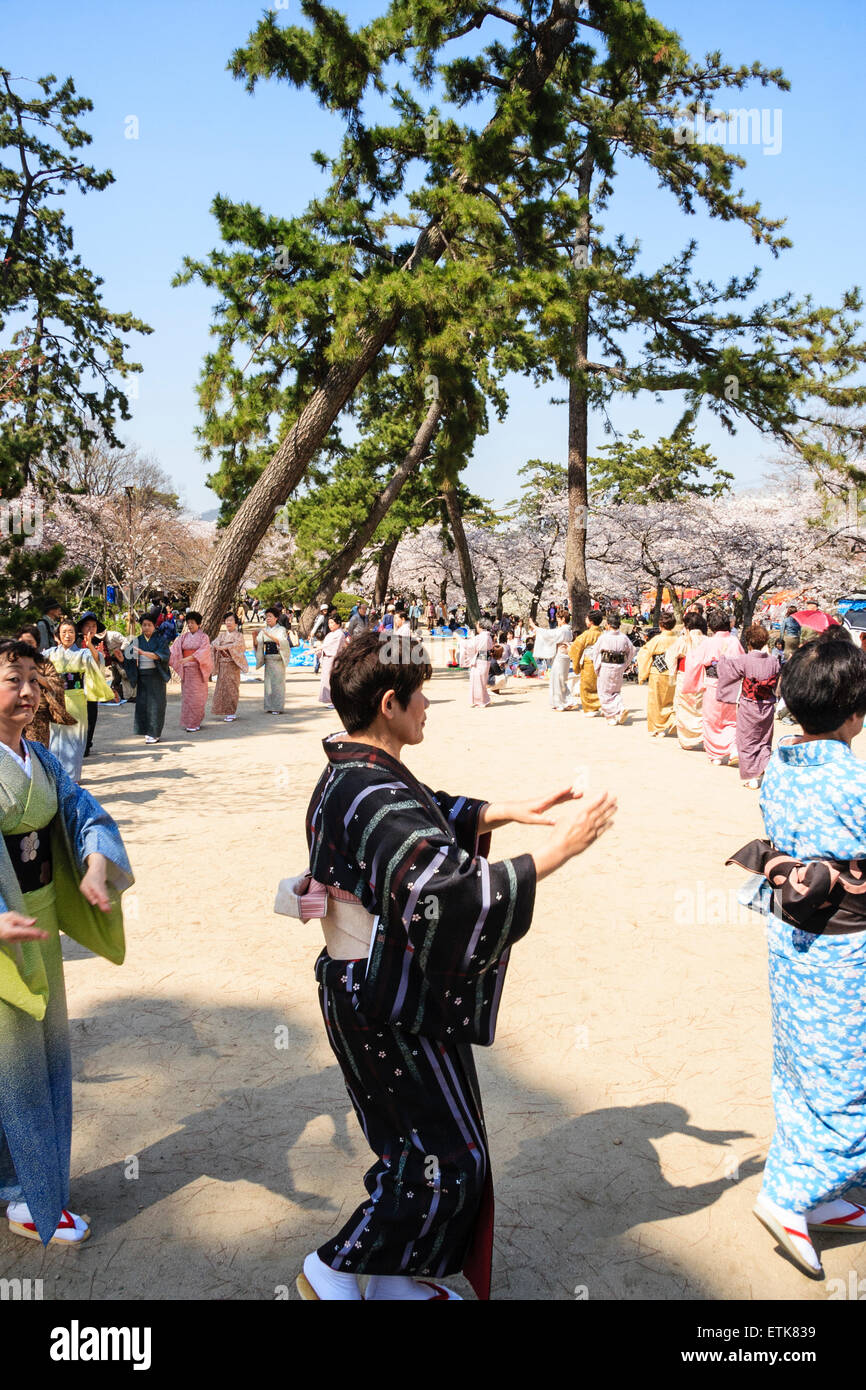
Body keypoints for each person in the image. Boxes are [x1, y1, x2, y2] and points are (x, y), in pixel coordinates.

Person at [293, 628, 617, 1300]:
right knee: (446, 1157)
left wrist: (510, 811)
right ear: (390, 704)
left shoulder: (357, 772)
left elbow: (430, 812)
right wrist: (559, 850)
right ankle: (333, 1269)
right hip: (379, 993)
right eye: (421, 696)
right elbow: (445, 893)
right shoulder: (371, 791)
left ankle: (383, 1279)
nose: (429, 707)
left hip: (378, 981)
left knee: (417, 1147)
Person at [727, 639, 866, 1277]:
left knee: (805, 1063)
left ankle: (824, 1196)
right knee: (848, 1076)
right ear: (853, 709)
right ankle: (788, 1196)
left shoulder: (781, 762)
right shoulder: (853, 779)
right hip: (844, 949)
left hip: (794, 935)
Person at [0, 638, 133, 1246]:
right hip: (3, 931)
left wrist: (97, 859)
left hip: (39, 920)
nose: (27, 692)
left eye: (31, 678)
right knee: (18, 1062)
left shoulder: (41, 759)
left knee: (38, 1052)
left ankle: (20, 1182)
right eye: (11, 678)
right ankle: (26, 1196)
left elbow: (81, 809)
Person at [44, 618, 114, 782]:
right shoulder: (50, 653)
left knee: (75, 737)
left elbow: (97, 661)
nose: (67, 635)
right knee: (54, 737)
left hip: (76, 698)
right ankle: (57, 776)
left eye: (70, 632)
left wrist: (89, 645)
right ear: (57, 636)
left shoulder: (83, 653)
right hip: (55, 698)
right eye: (63, 632)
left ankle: (72, 776)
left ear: (76, 635)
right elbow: (34, 663)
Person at [716, 623, 781, 789]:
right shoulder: (774, 661)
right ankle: (764, 764)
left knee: (746, 741)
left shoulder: (744, 660)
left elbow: (727, 670)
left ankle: (752, 777)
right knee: (764, 739)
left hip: (749, 704)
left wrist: (722, 658)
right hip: (767, 705)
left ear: (749, 643)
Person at [681, 611, 744, 765]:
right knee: (730, 719)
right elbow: (742, 662)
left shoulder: (709, 642)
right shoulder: (734, 641)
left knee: (711, 719)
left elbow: (694, 661)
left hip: (713, 683)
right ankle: (732, 748)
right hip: (731, 684)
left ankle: (716, 754)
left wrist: (692, 684)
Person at [16, 627, 77, 750]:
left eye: (30, 643)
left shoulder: (44, 663)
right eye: (22, 642)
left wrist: (36, 676)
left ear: (37, 645)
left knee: (38, 753)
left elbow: (57, 685)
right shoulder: (8, 663)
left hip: (38, 716)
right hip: (13, 714)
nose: (26, 646)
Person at [665, 612, 707, 750]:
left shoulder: (683, 639)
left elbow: (670, 656)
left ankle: (686, 740)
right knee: (700, 707)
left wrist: (672, 673)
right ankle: (702, 734)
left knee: (684, 706)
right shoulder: (707, 640)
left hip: (685, 674)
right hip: (703, 676)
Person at [129, 614, 172, 743]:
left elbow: (162, 656)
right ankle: (147, 731)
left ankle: (155, 733)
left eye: (149, 625)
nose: (146, 627)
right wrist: (121, 656)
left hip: (156, 676)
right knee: (143, 705)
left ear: (154, 626)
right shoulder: (137, 640)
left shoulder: (160, 640)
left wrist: (143, 653)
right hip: (142, 676)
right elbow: (128, 658)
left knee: (156, 705)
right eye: (144, 625)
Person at [169, 612, 213, 732]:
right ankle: (189, 722)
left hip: (198, 670)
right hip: (186, 671)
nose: (190, 625)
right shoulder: (183, 637)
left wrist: (188, 658)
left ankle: (195, 722)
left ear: (198, 624)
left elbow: (204, 652)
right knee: (187, 697)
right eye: (188, 623)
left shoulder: (204, 637)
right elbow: (173, 650)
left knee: (197, 698)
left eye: (192, 623)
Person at [636, 613, 678, 737]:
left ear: (660, 625)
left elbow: (644, 653)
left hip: (658, 671)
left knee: (655, 700)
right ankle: (671, 720)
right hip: (672, 672)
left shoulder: (657, 639)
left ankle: (657, 728)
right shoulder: (678, 639)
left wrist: (643, 673)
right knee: (671, 699)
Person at [592, 615, 635, 726]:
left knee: (604, 691)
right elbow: (632, 650)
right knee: (615, 690)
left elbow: (596, 653)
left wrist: (597, 667)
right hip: (619, 665)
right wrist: (626, 664)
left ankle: (611, 716)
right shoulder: (624, 637)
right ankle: (620, 707)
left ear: (608, 625)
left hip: (606, 665)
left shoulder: (603, 637)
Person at [211, 612, 248, 723]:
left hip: (232, 665)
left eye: (231, 620)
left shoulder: (239, 636)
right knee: (222, 689)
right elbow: (214, 644)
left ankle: (231, 712)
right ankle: (223, 711)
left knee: (232, 688)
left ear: (236, 623)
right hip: (222, 665)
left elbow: (239, 647)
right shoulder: (222, 635)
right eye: (227, 620)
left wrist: (224, 647)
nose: (228, 623)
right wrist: (215, 647)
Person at [255, 608, 291, 714]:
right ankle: (269, 706)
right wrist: (255, 638)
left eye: (270, 616)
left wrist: (268, 635)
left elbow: (282, 642)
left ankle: (277, 707)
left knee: (278, 684)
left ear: (276, 618)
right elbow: (258, 643)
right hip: (269, 659)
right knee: (269, 684)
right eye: (267, 616)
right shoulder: (264, 630)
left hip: (278, 659)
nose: (268, 618)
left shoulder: (281, 629)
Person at [568, 613, 603, 717]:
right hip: (600, 662)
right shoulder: (602, 633)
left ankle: (590, 708)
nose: (585, 620)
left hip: (589, 662)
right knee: (597, 685)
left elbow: (576, 648)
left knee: (586, 686)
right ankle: (595, 706)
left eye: (587, 619)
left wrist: (576, 664)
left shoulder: (587, 634)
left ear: (591, 621)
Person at [546, 608, 574, 711]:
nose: (557, 620)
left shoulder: (562, 630)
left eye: (558, 618)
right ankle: (567, 701)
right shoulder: (568, 630)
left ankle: (560, 703)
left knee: (557, 679)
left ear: (563, 619)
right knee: (561, 680)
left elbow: (552, 638)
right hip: (565, 656)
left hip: (560, 655)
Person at [318, 610, 347, 707]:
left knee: (332, 680)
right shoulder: (331, 634)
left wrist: (319, 648)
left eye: (332, 623)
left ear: (338, 623)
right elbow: (325, 645)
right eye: (329, 623)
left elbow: (331, 646)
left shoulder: (339, 634)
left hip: (333, 658)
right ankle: (330, 700)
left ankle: (334, 701)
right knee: (326, 680)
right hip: (327, 658)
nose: (330, 625)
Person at [465, 619, 493, 708]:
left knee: (478, 681)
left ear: (480, 626)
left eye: (477, 625)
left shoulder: (481, 636)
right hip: (486, 659)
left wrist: (469, 638)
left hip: (480, 660)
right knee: (482, 681)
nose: (476, 626)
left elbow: (470, 646)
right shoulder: (488, 636)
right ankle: (484, 700)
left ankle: (480, 701)